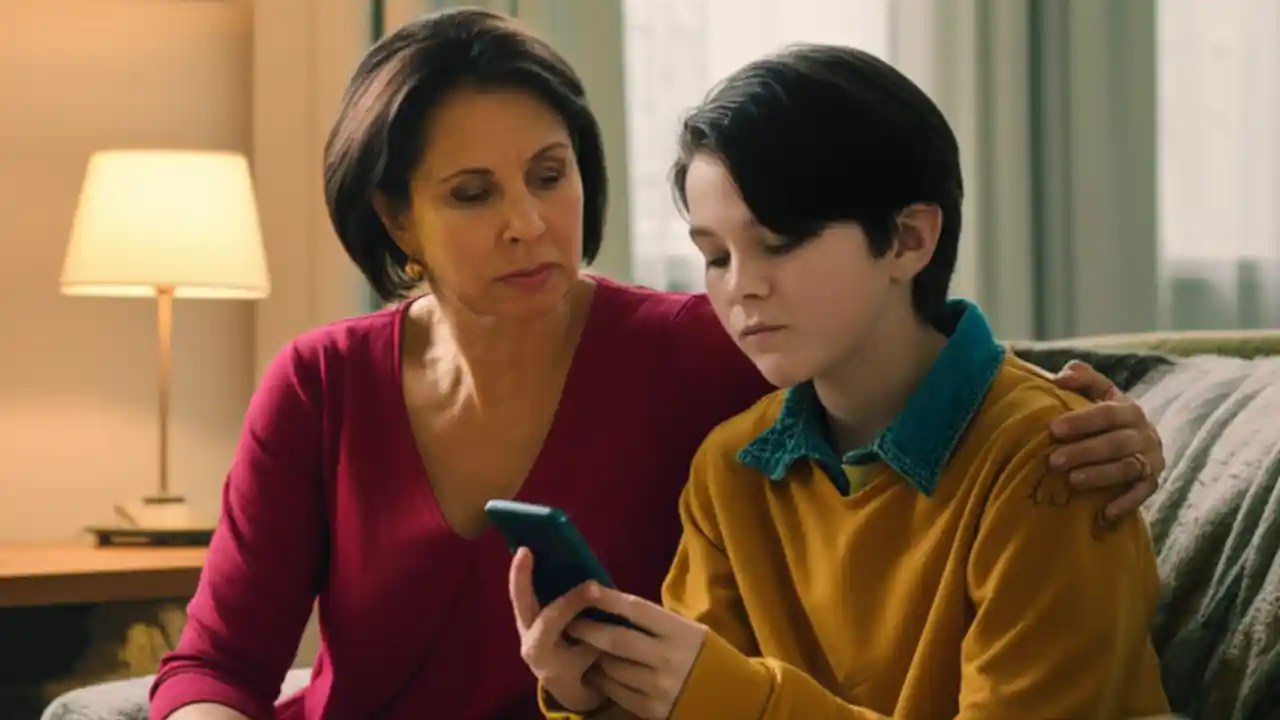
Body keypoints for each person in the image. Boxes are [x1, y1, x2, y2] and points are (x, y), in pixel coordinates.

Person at [150, 11, 1165, 720]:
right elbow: (218, 662)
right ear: (393, 219)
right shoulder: (322, 385)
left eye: (549, 176)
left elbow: (911, 357)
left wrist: (1123, 416)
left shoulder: (711, 351)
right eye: (469, 193)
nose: (526, 224)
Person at [514, 43, 1172, 720]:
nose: (741, 286)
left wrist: (737, 700)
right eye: (714, 256)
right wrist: (596, 700)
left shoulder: (1057, 458)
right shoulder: (732, 470)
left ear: (908, 239)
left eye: (779, 241)